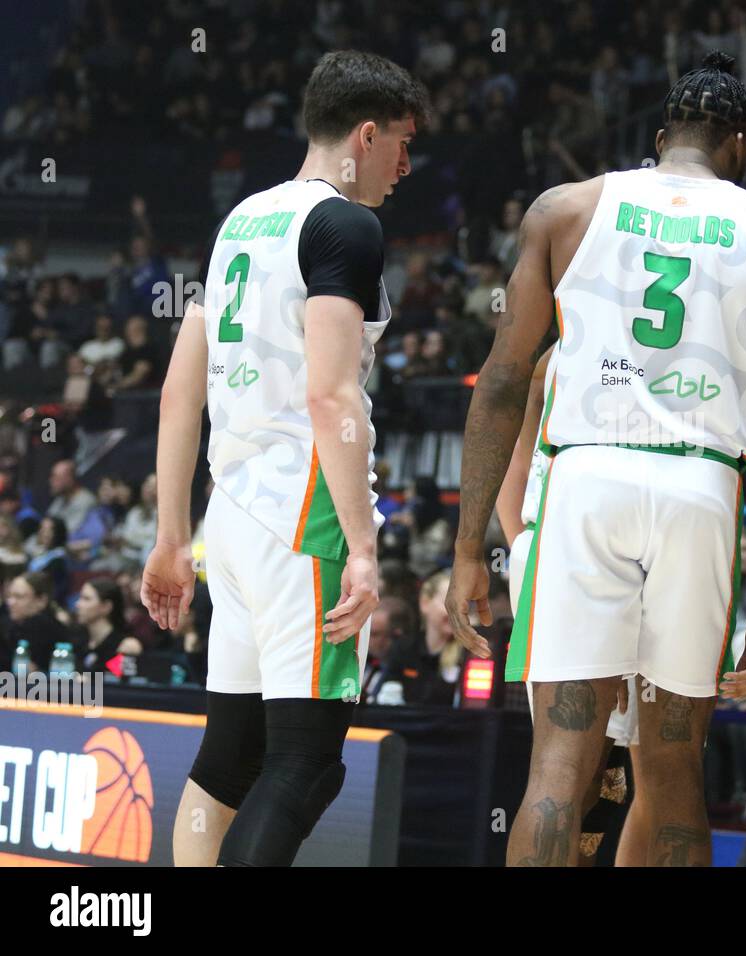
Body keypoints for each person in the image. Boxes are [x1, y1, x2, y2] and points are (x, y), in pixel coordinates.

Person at [446, 50, 746, 867]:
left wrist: (472, 546)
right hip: (701, 485)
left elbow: (503, 380)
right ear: (741, 146)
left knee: (558, 764)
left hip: (587, 477)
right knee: (673, 767)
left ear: (658, 138)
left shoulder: (567, 208)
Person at [141, 50, 431, 868]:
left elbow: (176, 393)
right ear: (365, 135)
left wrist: (171, 538)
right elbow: (331, 399)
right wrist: (364, 551)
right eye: (402, 145)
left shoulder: (239, 221)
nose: (405, 167)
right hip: (303, 517)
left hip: (230, 519)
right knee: (305, 764)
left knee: (229, 760)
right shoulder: (346, 225)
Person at [496, 344, 645, 866]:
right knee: (587, 763)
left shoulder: (562, 351)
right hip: (583, 555)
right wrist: (522, 543)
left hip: (565, 552)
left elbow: (513, 454)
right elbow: (516, 454)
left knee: (596, 767)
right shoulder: (565, 352)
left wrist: (521, 546)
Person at [75, 578, 141, 673]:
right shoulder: (78, 638)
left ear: (106, 607)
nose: (78, 604)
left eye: (86, 599)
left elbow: (117, 681)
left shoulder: (126, 646)